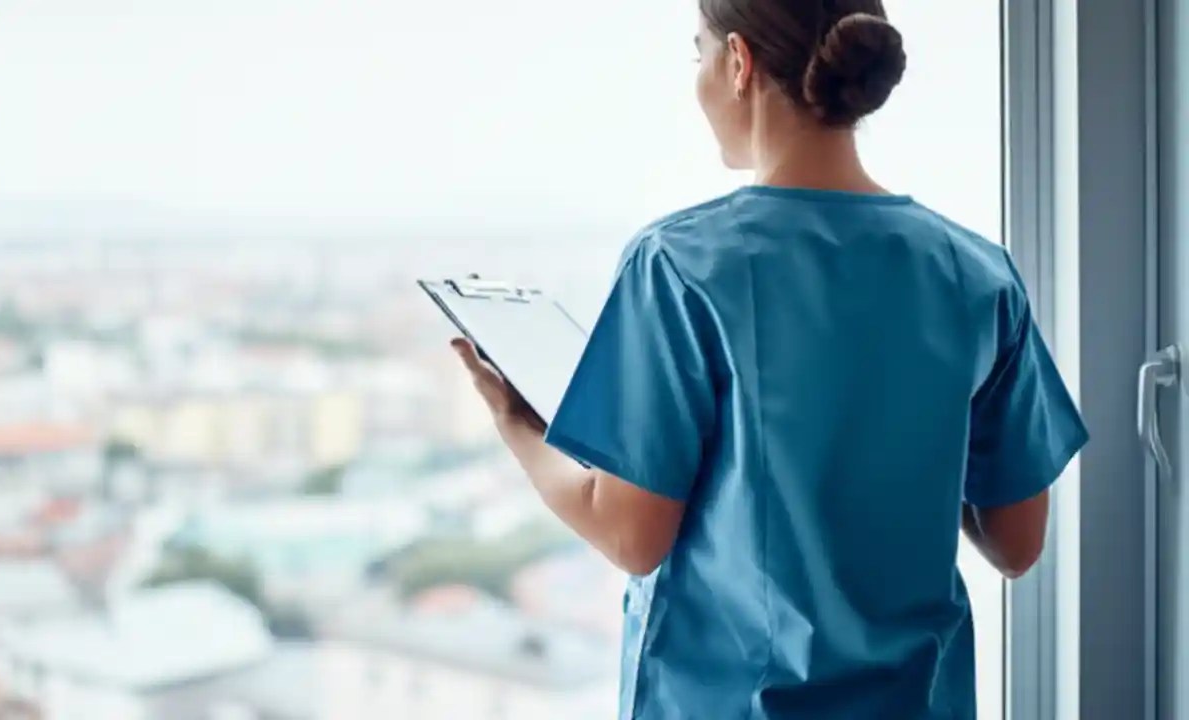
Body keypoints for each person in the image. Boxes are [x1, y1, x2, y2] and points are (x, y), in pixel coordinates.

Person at [451, 1, 1088, 718]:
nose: (698, 78)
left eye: (698, 53)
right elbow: (1016, 543)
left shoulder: (680, 263)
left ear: (738, 62)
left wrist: (518, 424)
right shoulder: (978, 274)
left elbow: (631, 535)